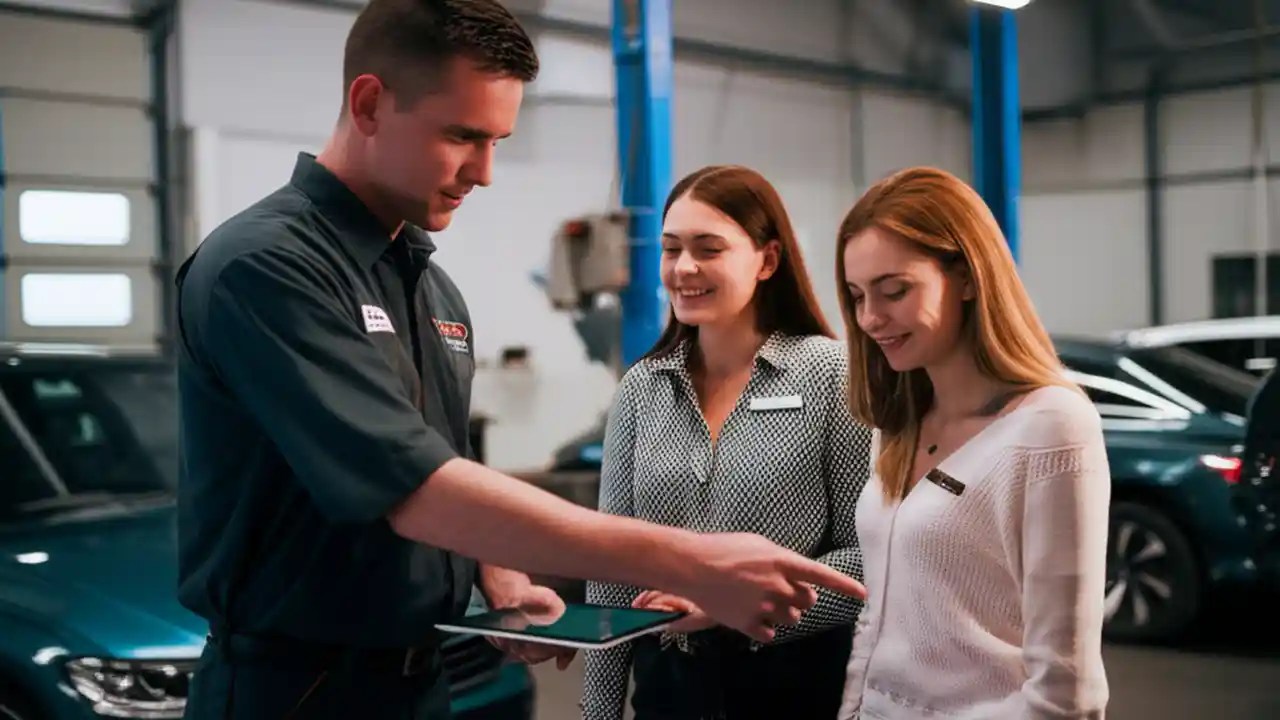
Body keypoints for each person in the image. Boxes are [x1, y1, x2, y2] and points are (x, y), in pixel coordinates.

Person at [172, 2, 865, 718]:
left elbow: (445, 464)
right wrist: (692, 561)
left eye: (499, 140)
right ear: (371, 103)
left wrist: (498, 575)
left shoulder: (431, 290)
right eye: (464, 136)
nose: (486, 172)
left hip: (424, 678)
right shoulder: (267, 269)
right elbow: (419, 489)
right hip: (297, 691)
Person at [580, 165, 874, 720]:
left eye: (708, 248)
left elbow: (868, 560)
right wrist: (598, 710)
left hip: (792, 686)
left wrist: (735, 606)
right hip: (667, 687)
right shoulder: (643, 388)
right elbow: (610, 566)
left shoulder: (830, 376)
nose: (684, 268)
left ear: (767, 260)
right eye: (671, 249)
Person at [834, 167, 1110, 719]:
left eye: (895, 291)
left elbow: (1066, 694)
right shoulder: (898, 420)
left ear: (966, 277)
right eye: (857, 295)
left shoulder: (1052, 427)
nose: (870, 318)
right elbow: (877, 622)